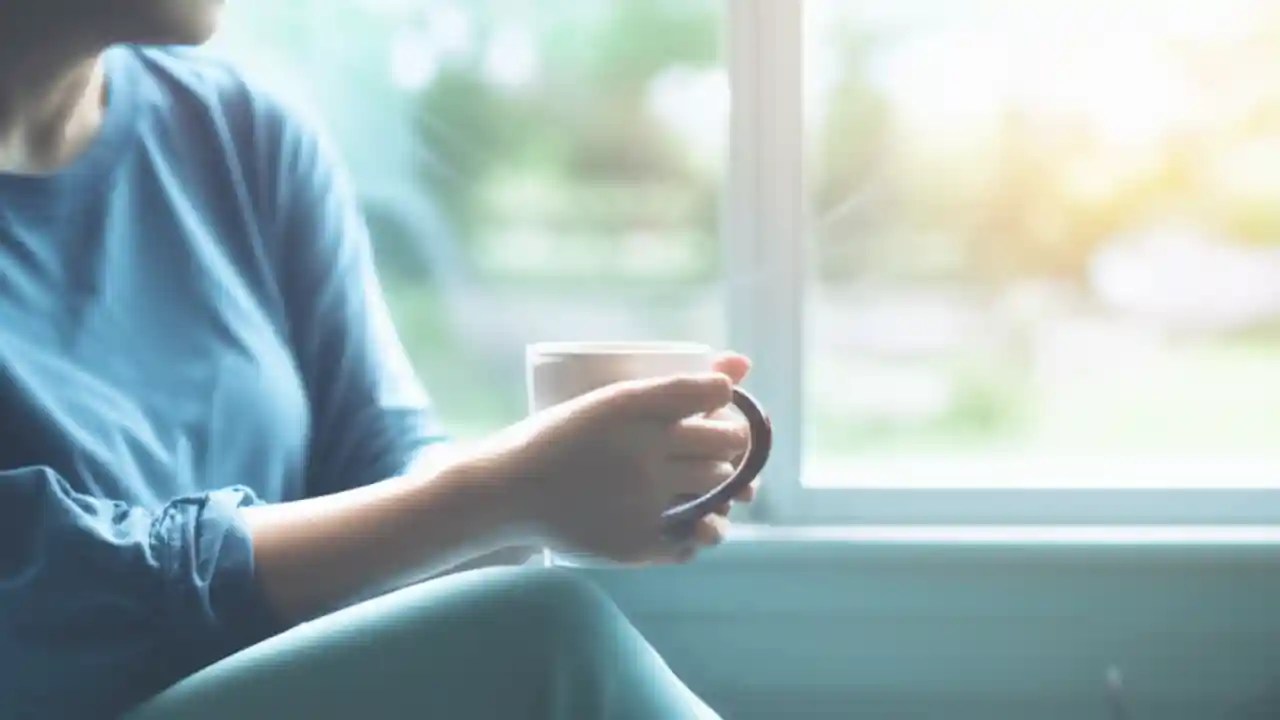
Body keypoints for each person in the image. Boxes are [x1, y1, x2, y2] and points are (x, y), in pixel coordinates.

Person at [0, 2, 759, 718]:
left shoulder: (239, 135)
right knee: (544, 635)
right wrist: (502, 494)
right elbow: (50, 586)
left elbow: (385, 467)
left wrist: (564, 484)